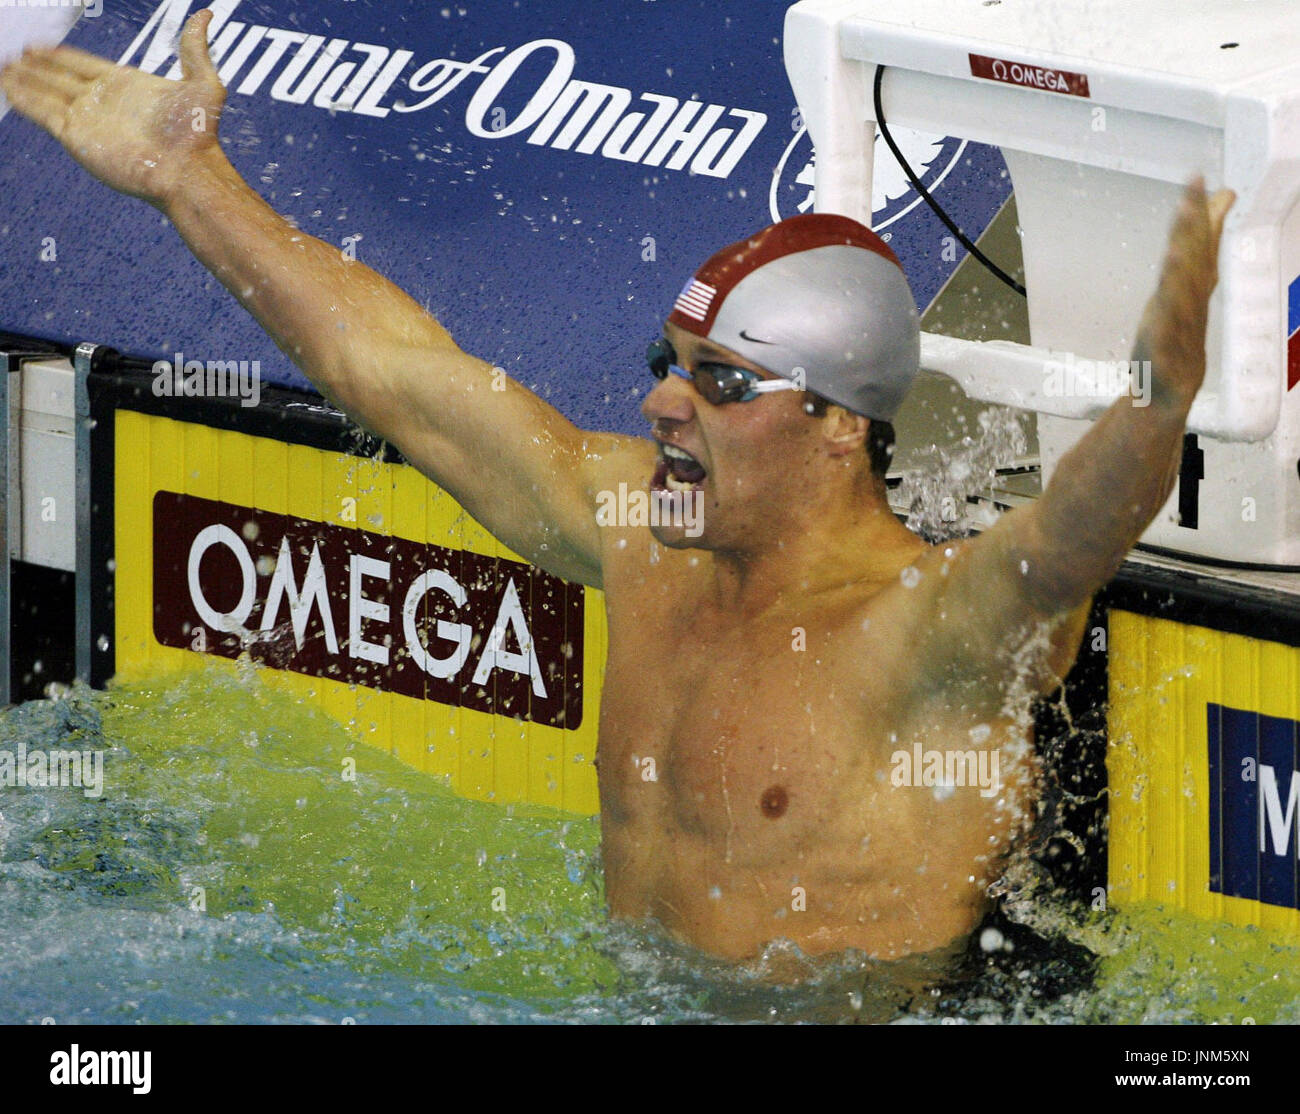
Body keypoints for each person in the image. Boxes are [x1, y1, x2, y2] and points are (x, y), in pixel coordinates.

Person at [0, 10, 1235, 967]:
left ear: (834, 427)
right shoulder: (642, 534)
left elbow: (1062, 543)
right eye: (665, 367)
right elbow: (400, 374)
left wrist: (1158, 396)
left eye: (719, 382)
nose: (660, 404)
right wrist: (188, 180)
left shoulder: (920, 632)